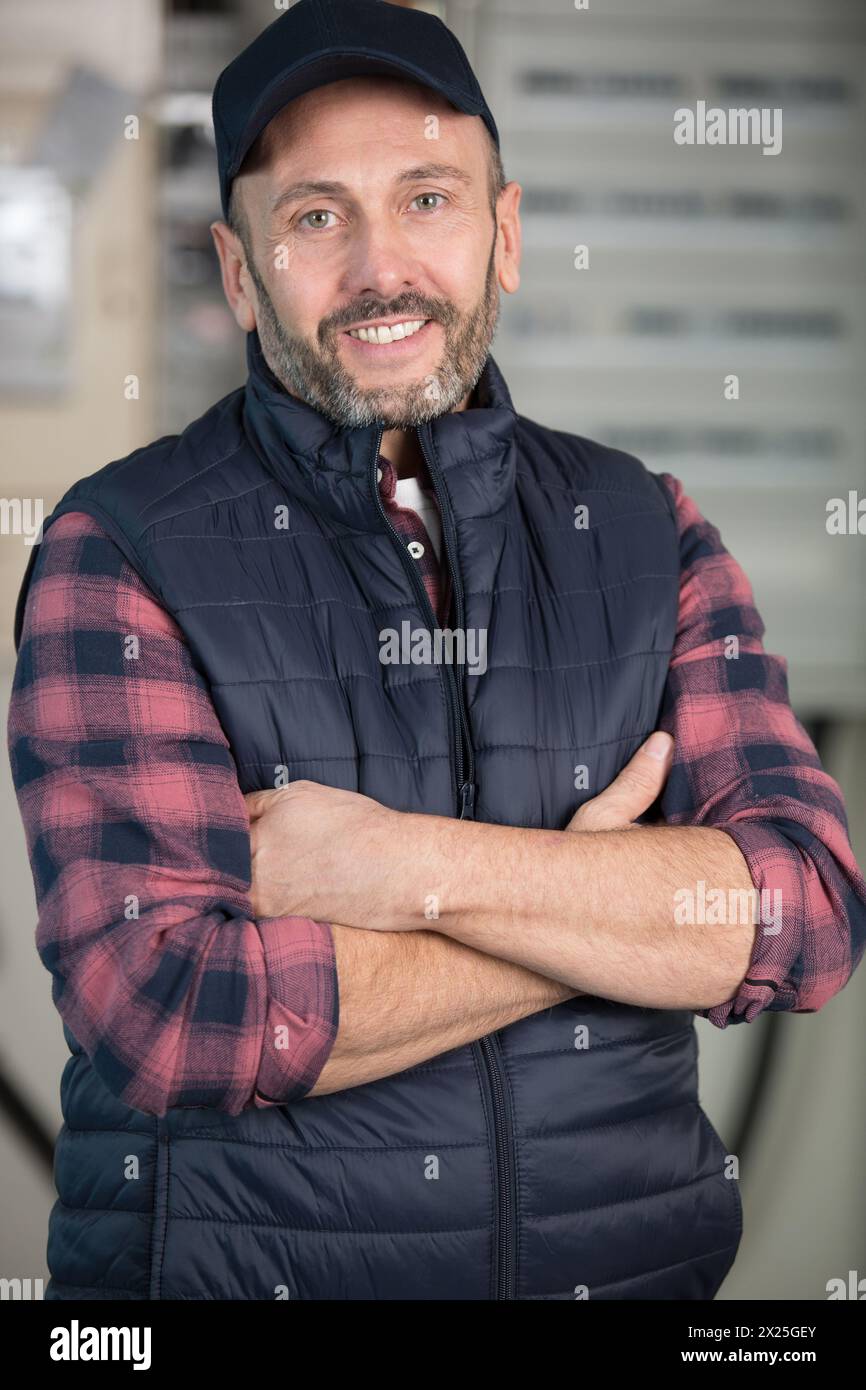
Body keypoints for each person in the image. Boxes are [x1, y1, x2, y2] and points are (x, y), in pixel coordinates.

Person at [8, 0, 864, 1301]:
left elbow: (802, 912)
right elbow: (175, 1013)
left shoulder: (644, 526)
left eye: (425, 198)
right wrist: (596, 897)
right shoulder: (122, 549)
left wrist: (396, 866)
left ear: (503, 234)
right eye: (313, 216)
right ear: (238, 272)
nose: (377, 267)